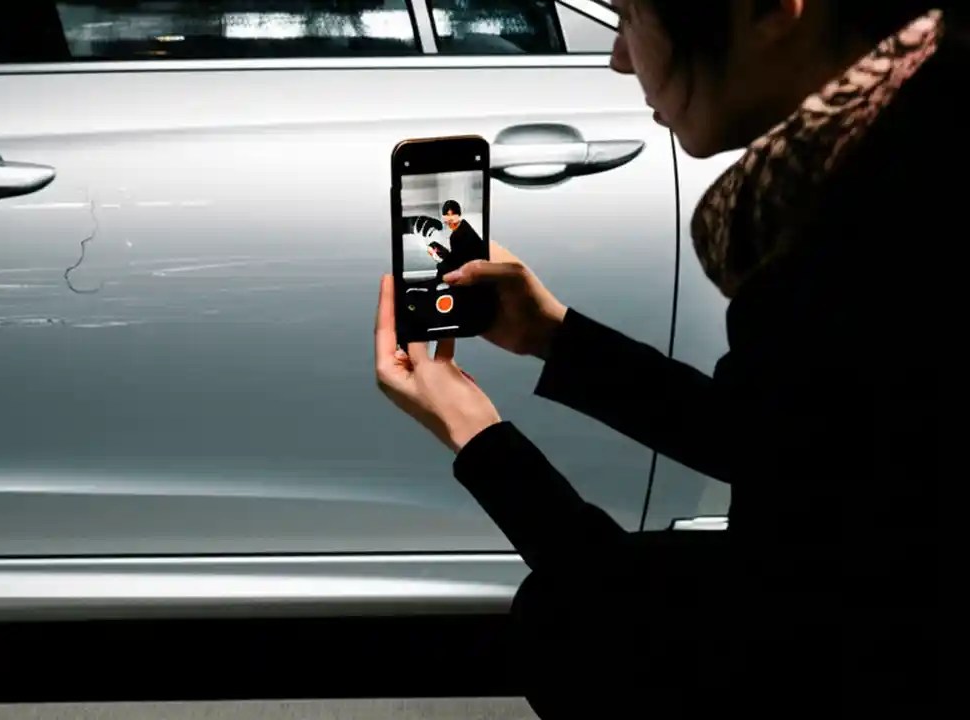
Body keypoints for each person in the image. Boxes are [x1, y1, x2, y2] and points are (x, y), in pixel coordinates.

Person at [374, 0, 956, 714]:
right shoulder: (907, 155)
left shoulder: (863, 245)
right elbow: (793, 445)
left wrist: (481, 441)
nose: (620, 57)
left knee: (571, 624)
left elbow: (783, 618)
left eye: (630, 15)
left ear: (773, 8)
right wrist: (555, 336)